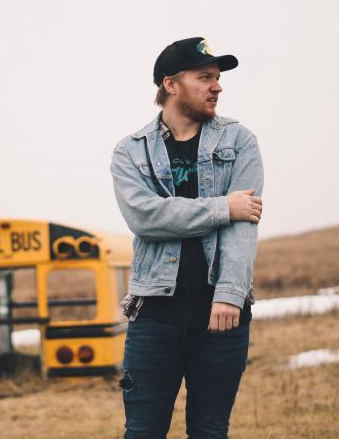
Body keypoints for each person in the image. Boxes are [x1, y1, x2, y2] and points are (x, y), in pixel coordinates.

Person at [109, 37, 264, 439]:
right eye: (205, 77)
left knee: (210, 430)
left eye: (217, 78)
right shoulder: (131, 152)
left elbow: (244, 223)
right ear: (171, 84)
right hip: (155, 313)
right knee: (143, 430)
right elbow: (146, 217)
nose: (218, 87)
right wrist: (222, 208)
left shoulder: (238, 141)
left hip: (222, 313)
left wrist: (230, 294)